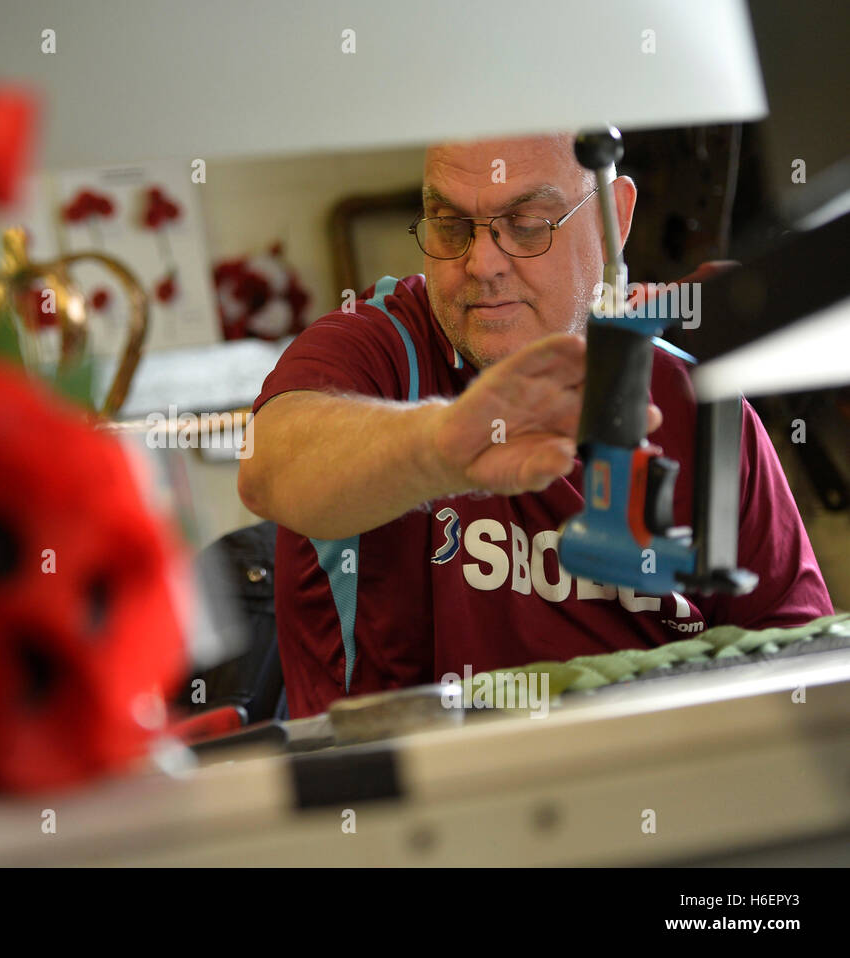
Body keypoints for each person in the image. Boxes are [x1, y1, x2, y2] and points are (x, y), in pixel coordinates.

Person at [237, 133, 834, 719]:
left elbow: (801, 669)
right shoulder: (379, 349)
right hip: (415, 801)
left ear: (611, 218)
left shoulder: (692, 400)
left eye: (525, 223)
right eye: (449, 224)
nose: (482, 263)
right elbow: (270, 468)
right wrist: (443, 447)